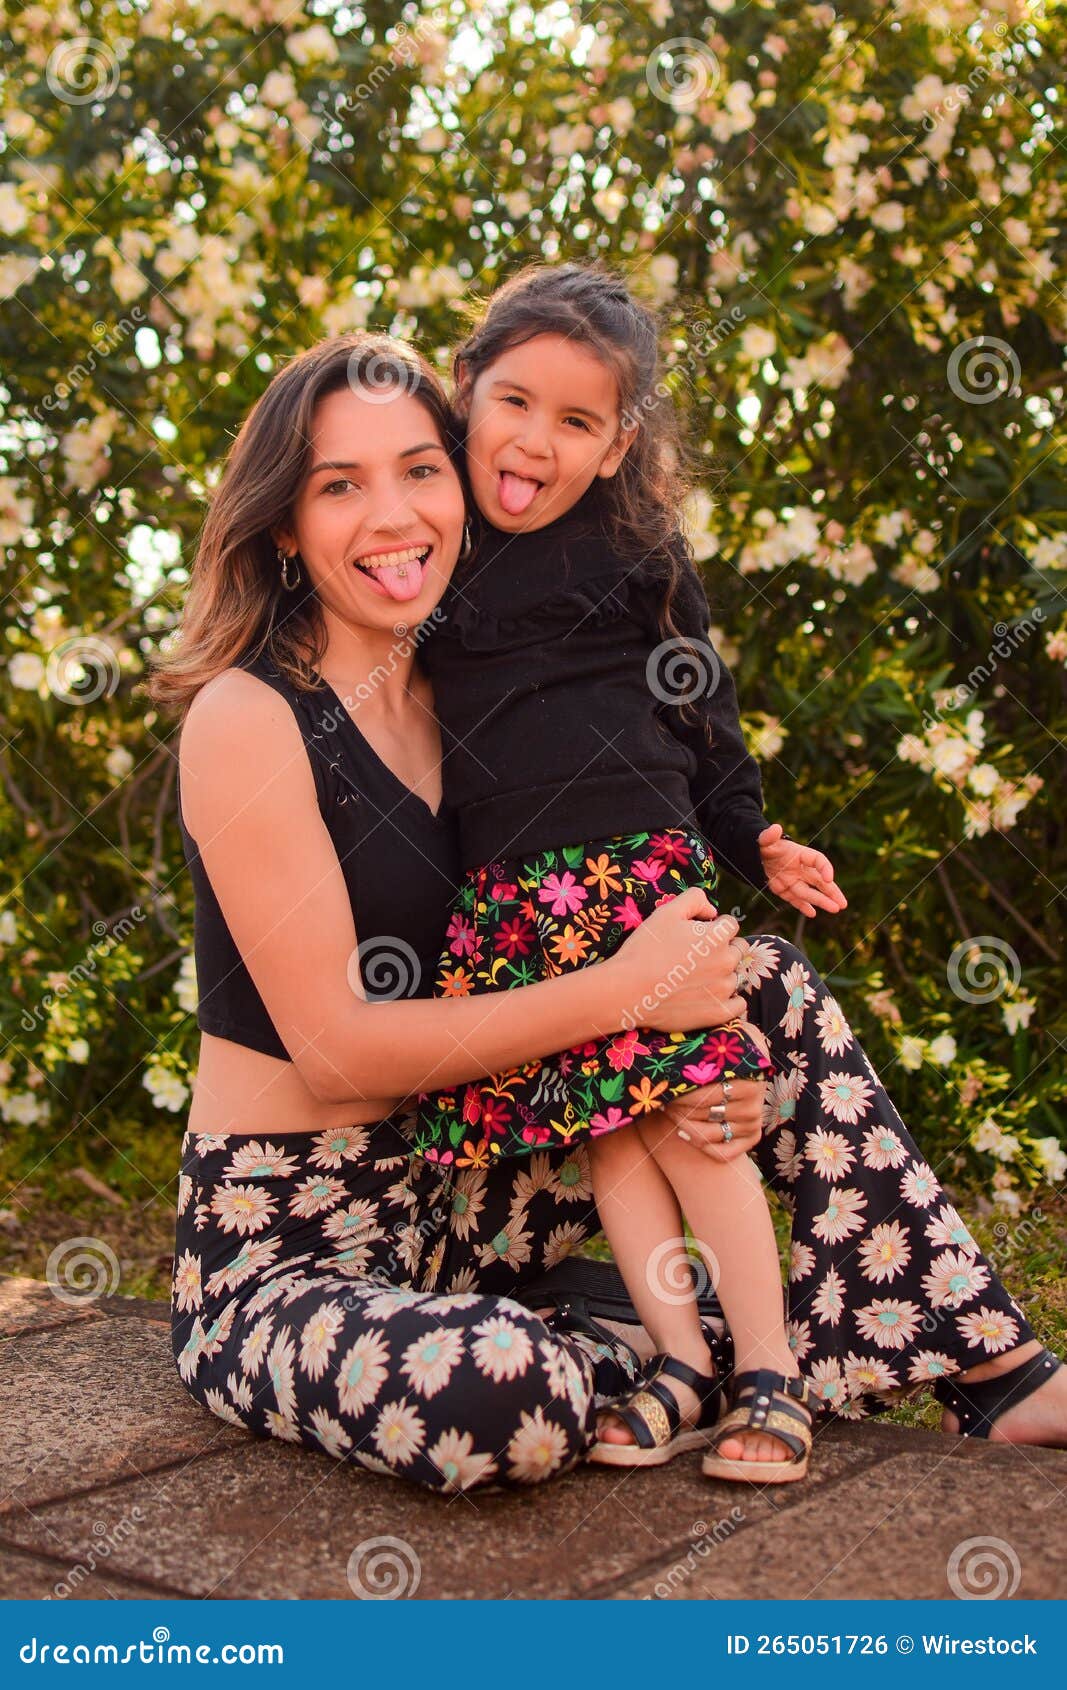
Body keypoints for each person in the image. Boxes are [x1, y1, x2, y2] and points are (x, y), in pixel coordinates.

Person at [150, 332, 752, 1493]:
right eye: (339, 484)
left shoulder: (473, 696)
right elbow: (335, 1051)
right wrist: (634, 991)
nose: (393, 513)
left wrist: (704, 1048)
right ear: (283, 523)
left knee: (758, 984)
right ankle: (629, 1343)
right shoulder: (246, 717)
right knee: (494, 1390)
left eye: (421, 468)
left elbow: (594, 908)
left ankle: (997, 1372)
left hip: (474, 1191)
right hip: (285, 1246)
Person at [411, 261, 854, 1482]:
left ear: (614, 449)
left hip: (637, 879)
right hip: (516, 902)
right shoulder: (433, 541)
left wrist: (749, 834)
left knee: (693, 1124)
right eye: (513, 402)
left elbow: (696, 694)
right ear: (464, 393)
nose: (533, 442)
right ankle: (677, 1365)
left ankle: (767, 1369)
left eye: (574, 422)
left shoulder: (631, 544)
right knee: (611, 1140)